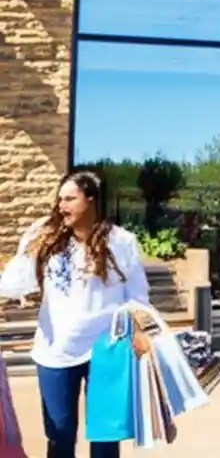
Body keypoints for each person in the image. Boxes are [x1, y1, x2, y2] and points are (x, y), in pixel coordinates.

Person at [13, 170, 151, 458]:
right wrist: (29, 246)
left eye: (70, 198)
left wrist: (142, 334)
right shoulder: (47, 238)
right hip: (56, 350)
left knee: (105, 439)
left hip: (106, 351)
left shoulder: (121, 241)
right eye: (59, 199)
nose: (61, 205)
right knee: (60, 434)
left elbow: (137, 296)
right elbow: (18, 280)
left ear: (91, 200)